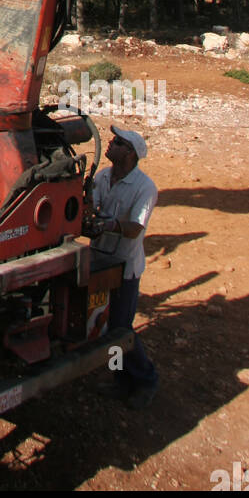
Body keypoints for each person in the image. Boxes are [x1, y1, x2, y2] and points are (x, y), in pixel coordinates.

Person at [91, 124, 159, 409]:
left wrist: (109, 224)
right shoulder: (102, 177)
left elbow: (135, 229)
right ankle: (120, 379)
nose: (110, 143)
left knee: (121, 328)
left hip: (125, 268)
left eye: (118, 142)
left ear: (130, 154)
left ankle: (145, 380)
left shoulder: (145, 188)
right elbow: (89, 207)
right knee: (108, 329)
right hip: (99, 262)